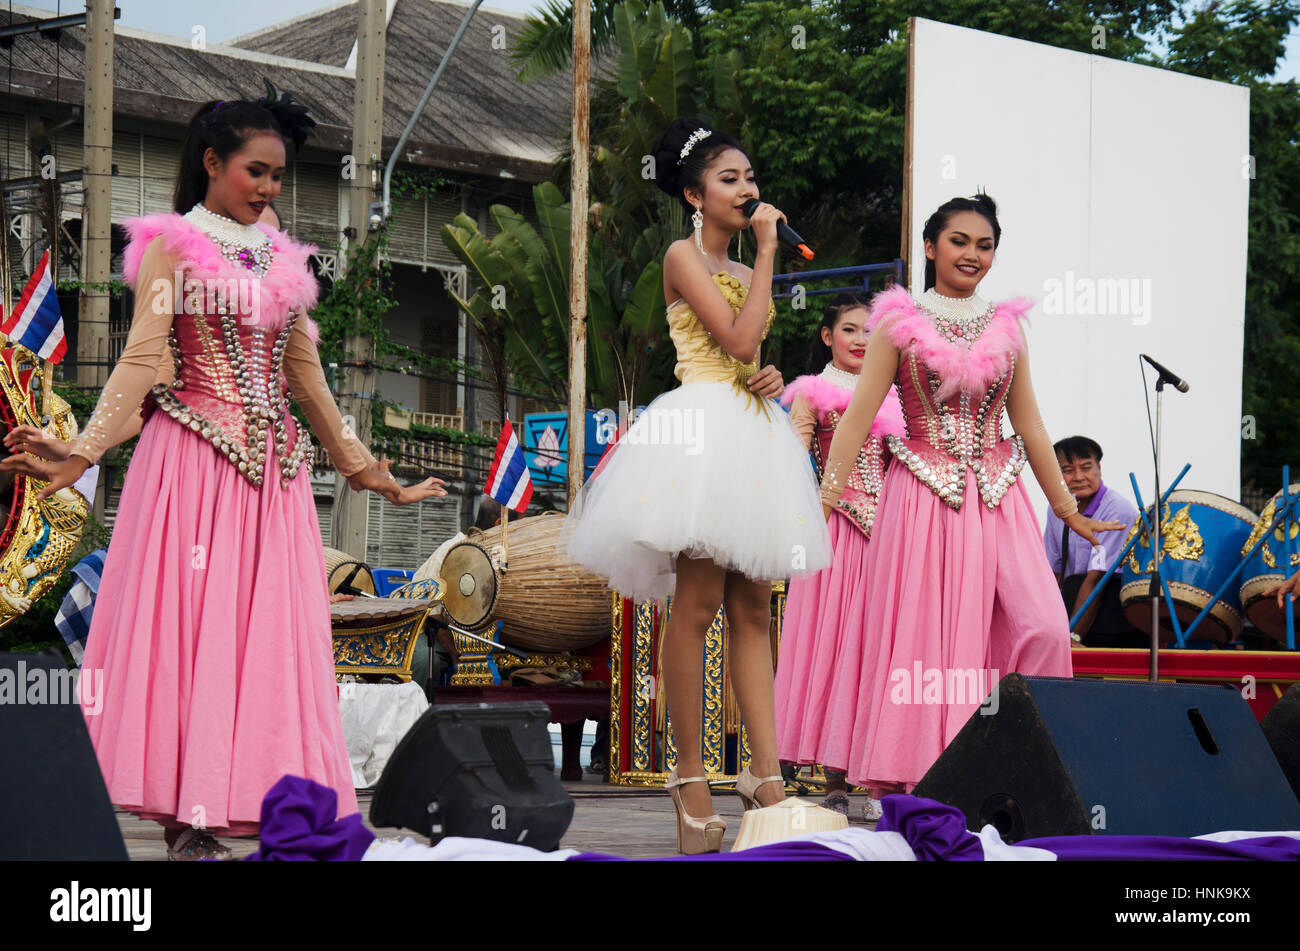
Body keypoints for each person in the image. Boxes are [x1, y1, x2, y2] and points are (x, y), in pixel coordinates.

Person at [0, 95, 446, 860]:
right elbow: (143, 359)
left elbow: (306, 374)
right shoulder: (172, 245)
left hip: (274, 480)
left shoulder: (278, 249)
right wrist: (81, 455)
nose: (270, 187)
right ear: (212, 163)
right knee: (192, 637)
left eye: (279, 174)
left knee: (263, 643)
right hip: (191, 467)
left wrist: (367, 470)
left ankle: (259, 804)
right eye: (255, 171)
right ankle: (190, 820)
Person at [564, 117, 830, 852]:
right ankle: (688, 780)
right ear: (693, 192)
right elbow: (735, 339)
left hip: (751, 425)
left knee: (754, 608)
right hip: (700, 432)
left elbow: (749, 351)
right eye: (729, 179)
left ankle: (766, 781)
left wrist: (769, 373)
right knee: (699, 601)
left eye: (749, 178)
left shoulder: (750, 270)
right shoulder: (682, 256)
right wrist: (770, 256)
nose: (747, 189)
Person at [819, 193, 1123, 795]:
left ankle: (1026, 768)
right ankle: (927, 781)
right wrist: (825, 497)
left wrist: (1066, 507)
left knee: (1043, 626)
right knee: (932, 650)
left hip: (999, 498)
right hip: (922, 500)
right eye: (959, 241)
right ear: (930, 247)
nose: (972, 254)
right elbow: (857, 417)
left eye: (985, 245)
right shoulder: (898, 323)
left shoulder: (1007, 327)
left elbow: (1031, 424)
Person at [772, 294, 904, 821]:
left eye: (872, 332)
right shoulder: (812, 393)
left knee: (878, 652)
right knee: (833, 651)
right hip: (835, 534)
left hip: (890, 538)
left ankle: (878, 777)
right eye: (850, 330)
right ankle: (833, 781)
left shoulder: (895, 395)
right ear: (827, 336)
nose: (862, 340)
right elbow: (789, 458)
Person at [1042, 435, 1142, 646]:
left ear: (1099, 468)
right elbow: (1054, 574)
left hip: (1110, 613)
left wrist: (1072, 637)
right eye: (1068, 470)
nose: (1078, 476)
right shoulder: (1056, 509)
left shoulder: (1117, 510)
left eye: (1086, 467)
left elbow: (1097, 580)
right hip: (1075, 606)